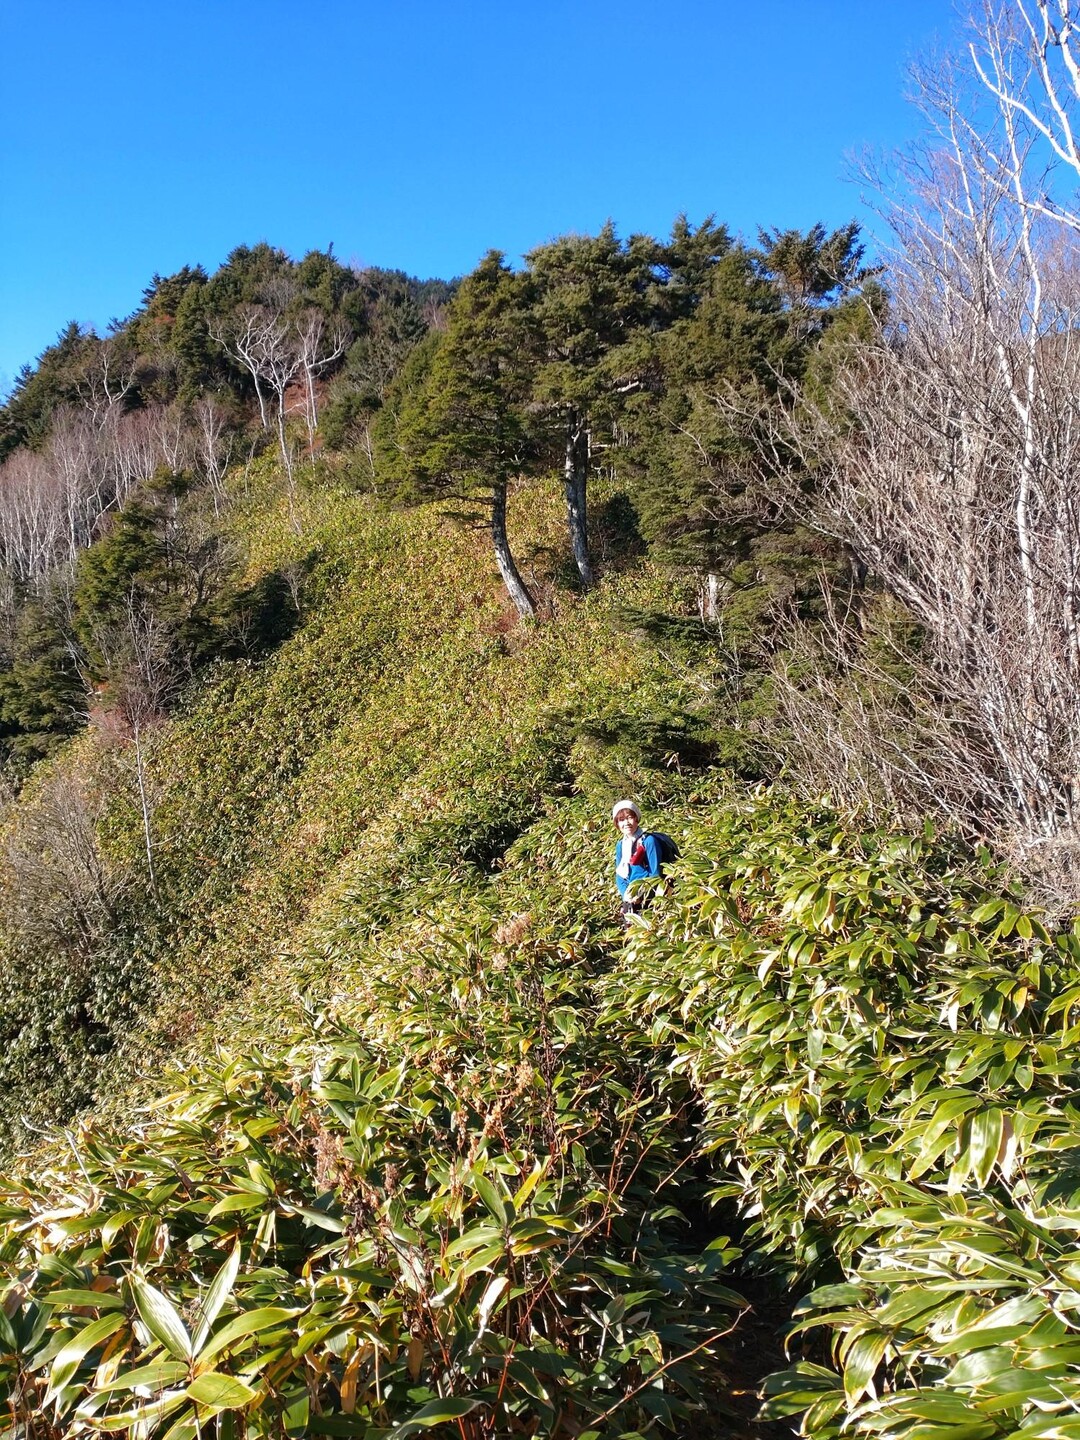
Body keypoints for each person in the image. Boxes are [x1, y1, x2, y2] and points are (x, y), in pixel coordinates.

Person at [612, 799, 661, 921]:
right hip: (630, 897)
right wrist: (626, 895)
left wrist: (640, 894)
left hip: (649, 897)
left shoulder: (648, 841)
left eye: (629, 818)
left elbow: (655, 874)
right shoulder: (621, 845)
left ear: (637, 819)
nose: (626, 823)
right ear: (617, 824)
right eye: (621, 820)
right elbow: (620, 875)